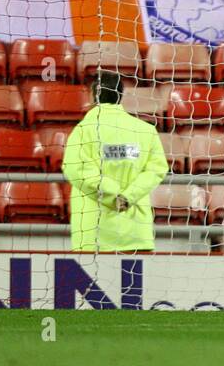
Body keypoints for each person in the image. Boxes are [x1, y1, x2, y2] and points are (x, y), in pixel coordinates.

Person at [62, 70, 168, 252]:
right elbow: (157, 170)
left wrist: (112, 195)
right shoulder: (145, 130)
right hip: (135, 230)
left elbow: (76, 169)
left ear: (93, 95)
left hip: (93, 233)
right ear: (120, 95)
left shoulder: (83, 130)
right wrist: (127, 197)